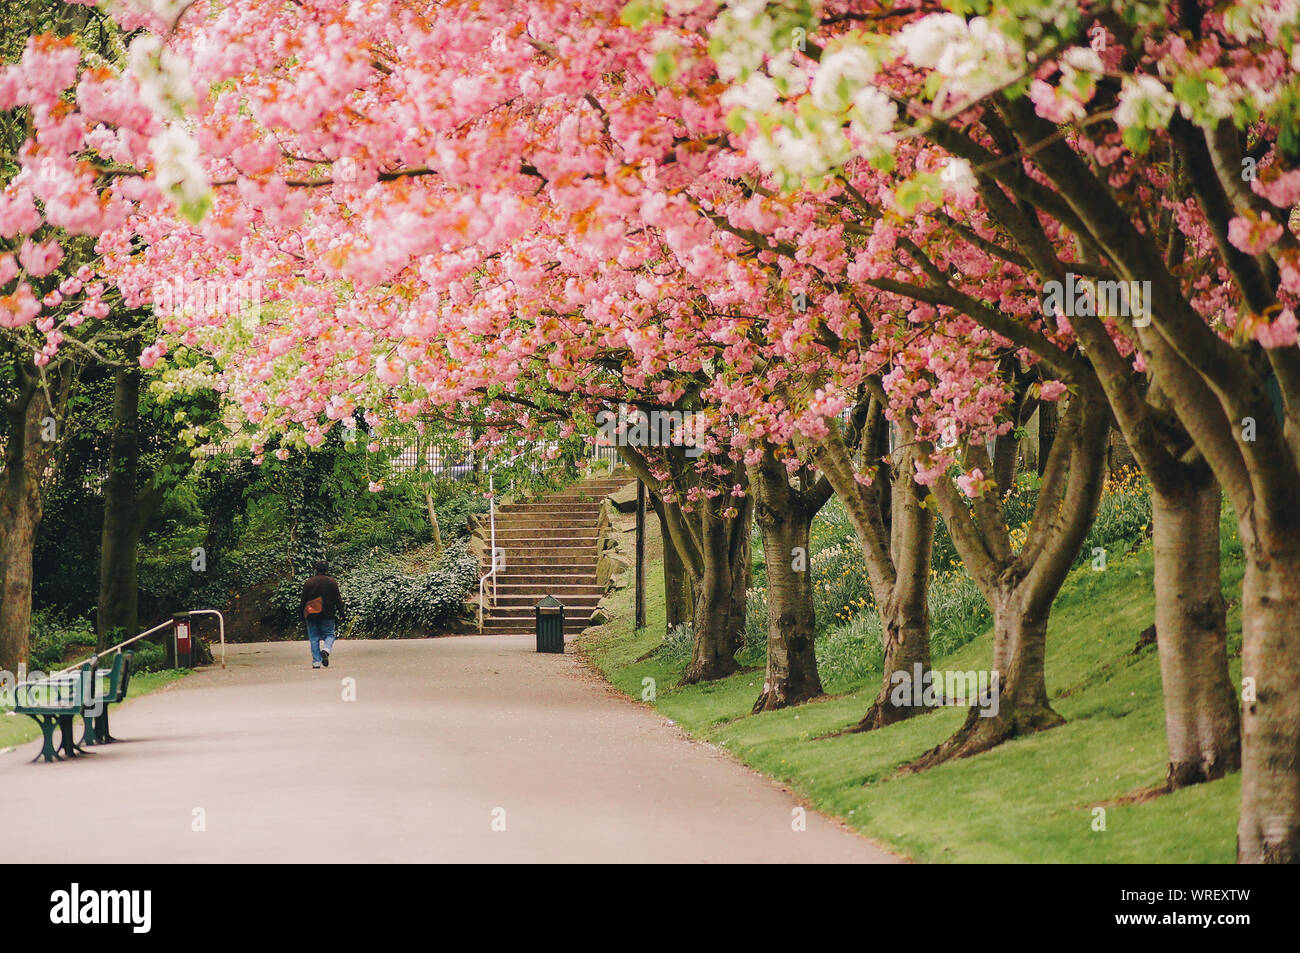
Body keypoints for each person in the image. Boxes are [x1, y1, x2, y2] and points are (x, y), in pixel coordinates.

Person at [300, 562, 344, 669]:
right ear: (327, 570)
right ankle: (326, 650)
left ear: (315, 569)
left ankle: (316, 662)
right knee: (330, 634)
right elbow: (338, 599)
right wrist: (342, 613)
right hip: (328, 614)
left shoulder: (309, 582)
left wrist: (301, 614)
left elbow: (303, 600)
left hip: (311, 614)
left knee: (314, 638)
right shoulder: (331, 582)